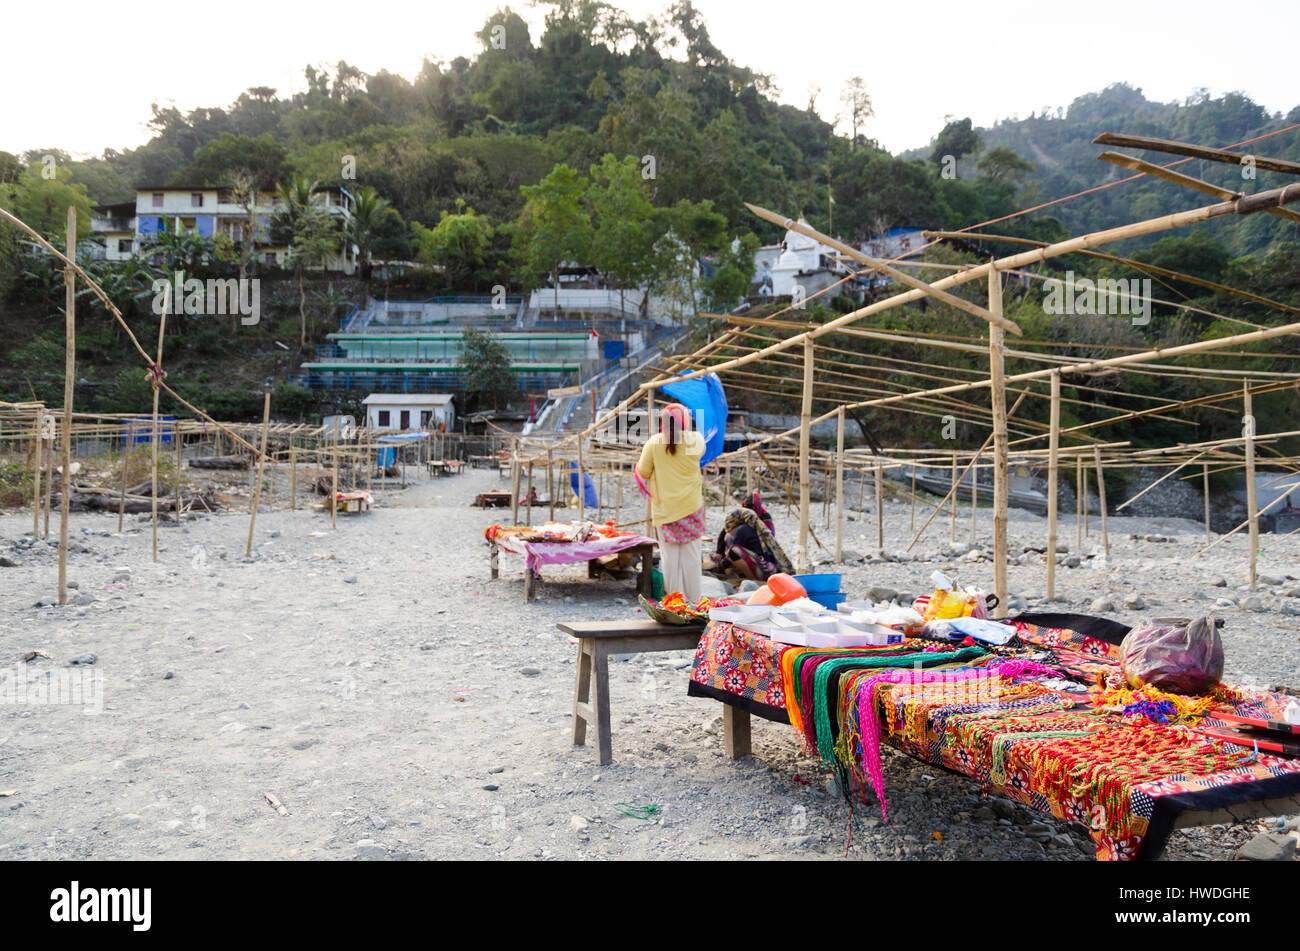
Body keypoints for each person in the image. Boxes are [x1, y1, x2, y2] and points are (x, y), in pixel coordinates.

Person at [635, 403, 705, 601]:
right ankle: (695, 604)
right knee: (692, 560)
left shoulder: (654, 443)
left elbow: (643, 472)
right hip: (691, 508)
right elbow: (699, 452)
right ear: (685, 421)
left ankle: (675, 606)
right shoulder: (696, 440)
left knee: (670, 562)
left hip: (666, 511)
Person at [715, 492, 794, 581]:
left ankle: (753, 579)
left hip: (764, 568)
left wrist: (720, 565)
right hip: (769, 566)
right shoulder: (748, 520)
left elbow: (733, 551)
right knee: (732, 542)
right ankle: (742, 570)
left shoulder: (746, 527)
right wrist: (719, 552)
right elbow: (724, 531)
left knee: (733, 552)